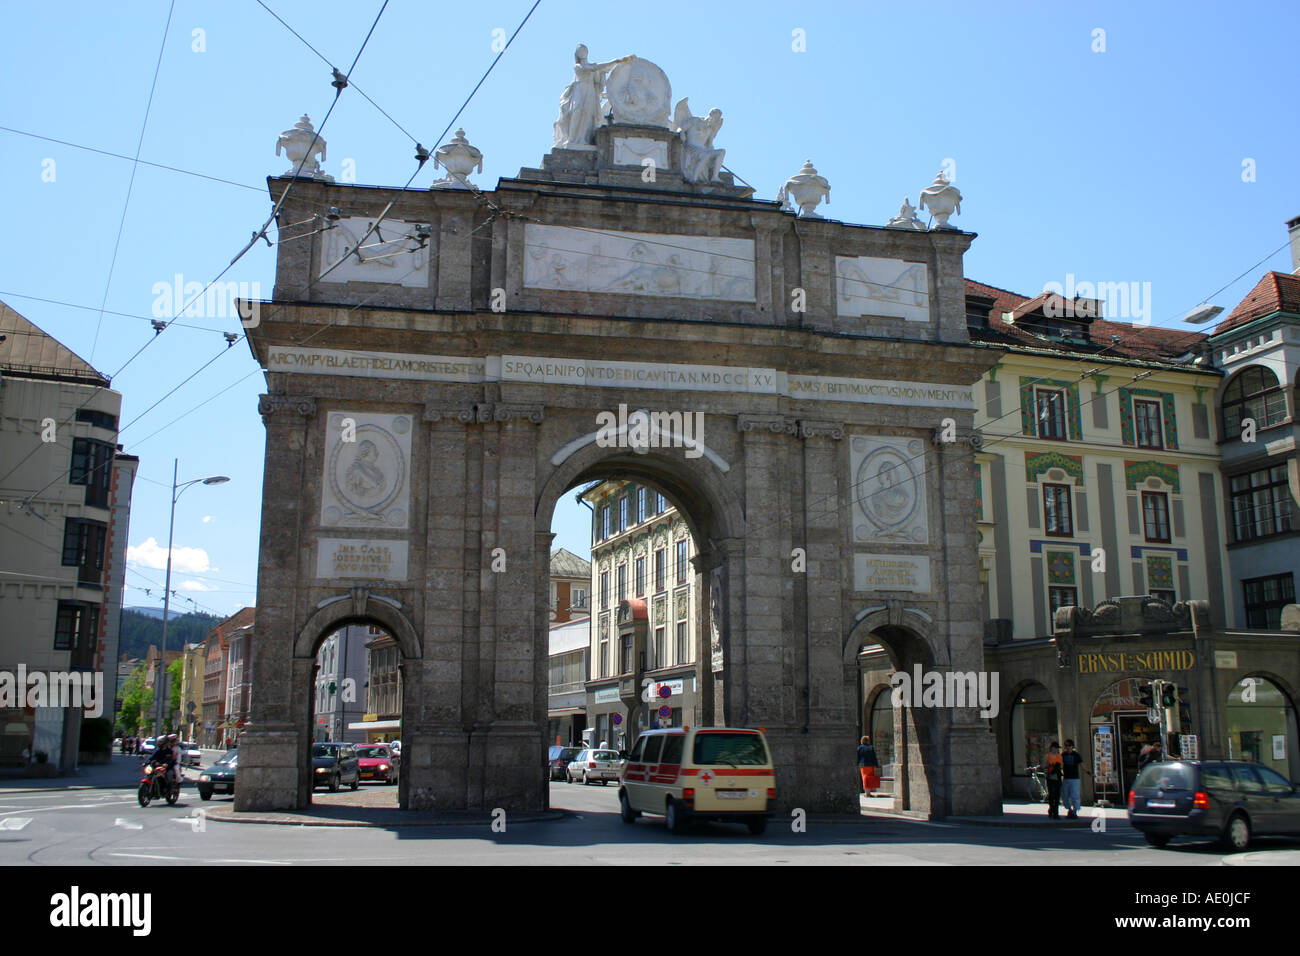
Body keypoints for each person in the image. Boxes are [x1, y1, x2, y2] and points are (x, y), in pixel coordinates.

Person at [1061, 739, 1091, 819]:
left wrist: (1088, 772)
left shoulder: (1076, 755)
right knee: (1065, 795)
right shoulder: (1063, 755)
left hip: (1074, 778)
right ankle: (1069, 810)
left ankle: (1074, 811)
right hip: (1066, 778)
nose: (1067, 747)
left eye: (1069, 746)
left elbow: (1082, 764)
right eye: (1066, 746)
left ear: (1072, 746)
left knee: (1075, 795)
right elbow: (1060, 764)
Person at [1043, 741, 1064, 819]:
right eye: (1056, 748)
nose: (1057, 750)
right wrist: (1049, 767)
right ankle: (1051, 809)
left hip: (1057, 777)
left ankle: (1056, 811)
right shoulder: (1047, 756)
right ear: (1052, 748)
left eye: (1057, 748)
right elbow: (1044, 766)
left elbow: (1061, 766)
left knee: (1057, 795)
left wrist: (1058, 767)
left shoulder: (1059, 756)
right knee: (1051, 795)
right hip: (1050, 777)